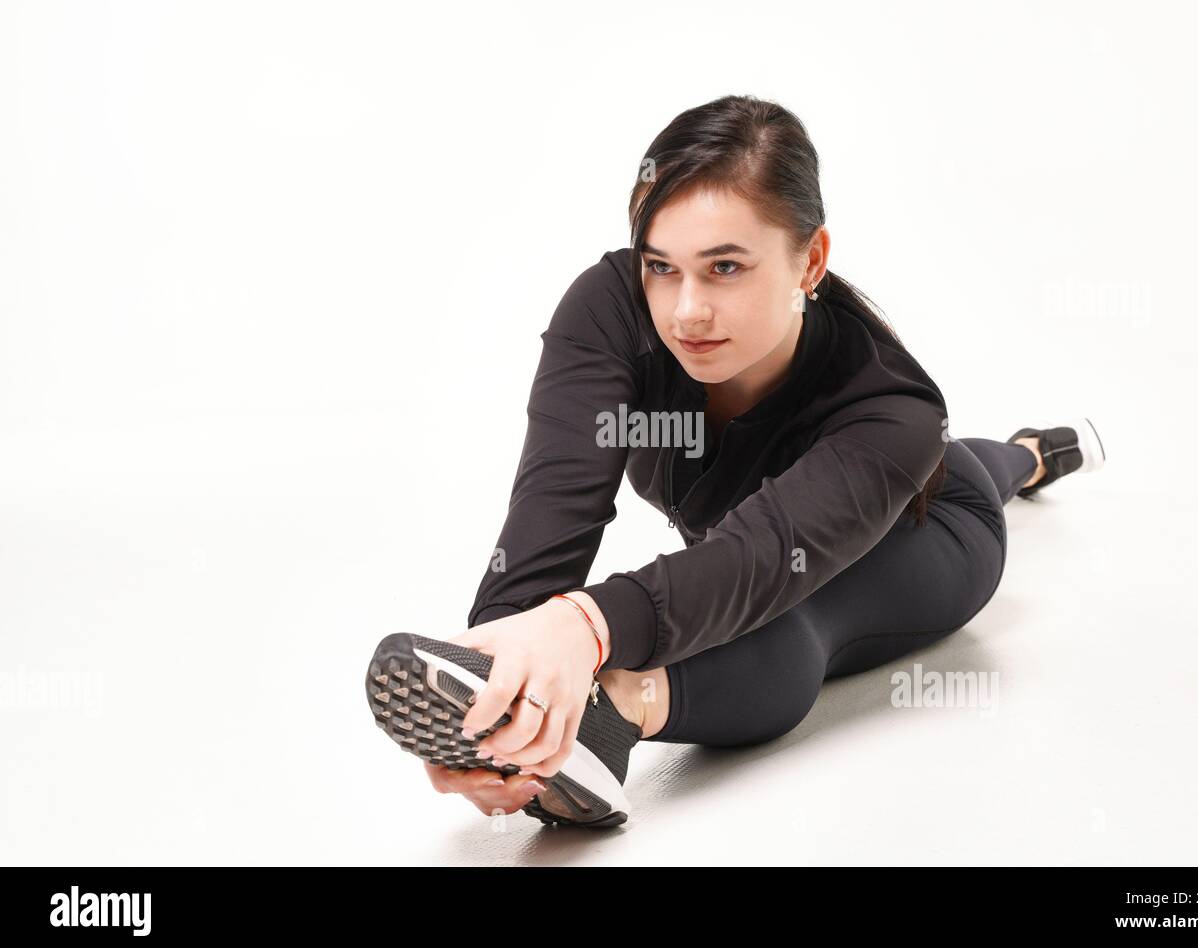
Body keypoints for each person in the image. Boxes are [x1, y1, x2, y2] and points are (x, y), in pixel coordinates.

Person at [364, 94, 1106, 827]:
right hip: (769, 529)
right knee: (702, 595)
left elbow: (759, 560)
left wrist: (584, 632)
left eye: (725, 268)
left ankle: (615, 715)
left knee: (833, 577)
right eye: (662, 266)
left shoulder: (897, 413)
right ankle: (1030, 449)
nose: (686, 310)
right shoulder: (608, 312)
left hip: (931, 527)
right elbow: (554, 501)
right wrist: (498, 680)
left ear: (810, 260)